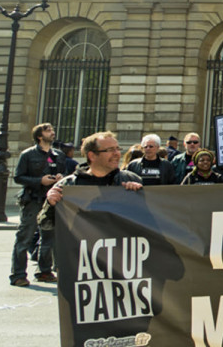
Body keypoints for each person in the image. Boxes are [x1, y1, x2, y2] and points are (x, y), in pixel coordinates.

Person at [41, 132, 143, 228]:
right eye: (110, 150)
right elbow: (45, 225)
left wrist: (139, 196)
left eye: (117, 149)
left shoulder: (131, 179)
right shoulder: (68, 185)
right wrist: (51, 205)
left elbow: (148, 223)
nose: (117, 153)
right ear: (92, 156)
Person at [10, 123, 64, 287]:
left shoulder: (58, 155)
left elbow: (66, 174)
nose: (52, 132)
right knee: (24, 237)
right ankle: (18, 275)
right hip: (33, 199)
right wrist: (39, 181)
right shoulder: (28, 154)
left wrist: (62, 177)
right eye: (48, 130)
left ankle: (44, 271)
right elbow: (18, 177)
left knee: (49, 238)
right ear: (39, 136)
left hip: (51, 200)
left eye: (53, 130)